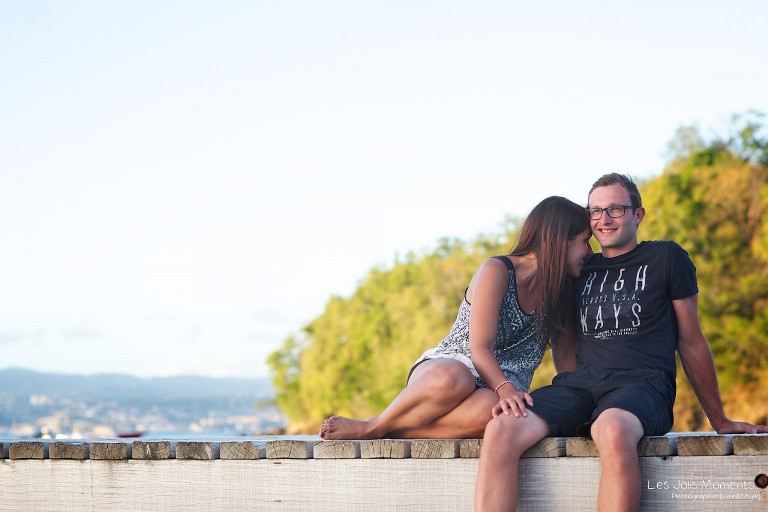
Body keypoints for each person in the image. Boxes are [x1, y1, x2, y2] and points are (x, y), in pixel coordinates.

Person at [474, 173, 768, 512]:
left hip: (642, 386)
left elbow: (691, 341)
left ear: (638, 215)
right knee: (502, 428)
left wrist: (719, 419)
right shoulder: (577, 268)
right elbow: (565, 343)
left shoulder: (666, 258)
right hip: (580, 388)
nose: (604, 219)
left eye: (615, 208)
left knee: (611, 428)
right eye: (595, 211)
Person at [319, 196, 592, 440]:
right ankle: (373, 427)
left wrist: (585, 403)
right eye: (585, 242)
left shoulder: (563, 295)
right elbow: (479, 349)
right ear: (559, 240)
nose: (589, 253)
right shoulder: (497, 270)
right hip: (450, 369)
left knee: (493, 413)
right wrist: (506, 389)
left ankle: (387, 428)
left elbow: (568, 367)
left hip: (496, 393)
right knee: (454, 377)